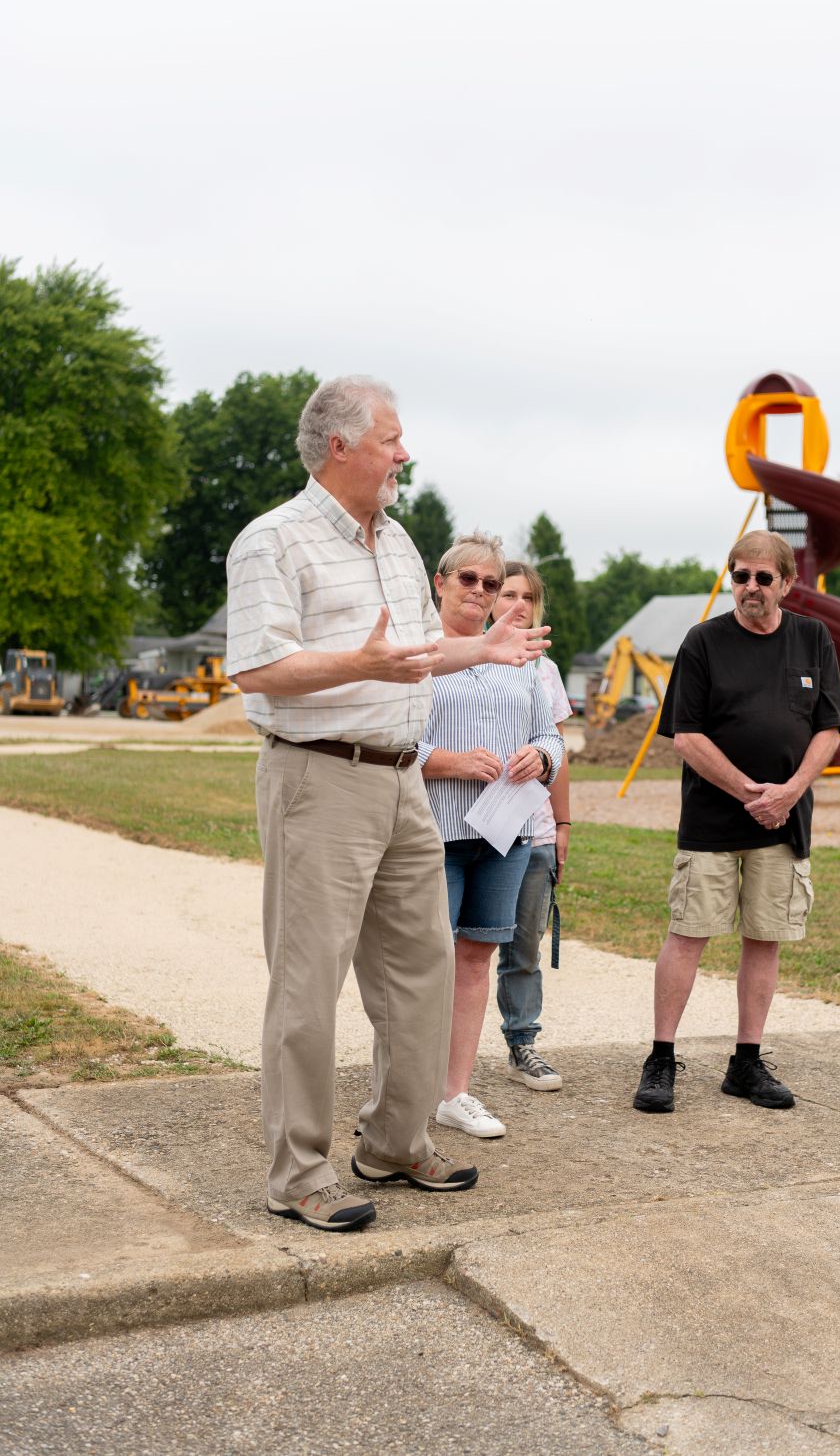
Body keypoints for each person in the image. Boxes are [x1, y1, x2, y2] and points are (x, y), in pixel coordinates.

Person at [226, 377, 550, 1232]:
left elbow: (413, 653)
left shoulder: (399, 541)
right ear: (340, 446)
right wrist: (356, 665)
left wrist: (484, 648)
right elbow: (256, 668)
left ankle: (394, 1143)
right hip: (319, 778)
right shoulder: (273, 541)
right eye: (391, 440)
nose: (405, 454)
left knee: (423, 970)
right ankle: (298, 1174)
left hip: (405, 783)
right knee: (308, 985)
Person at [633, 530, 840, 1115]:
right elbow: (685, 735)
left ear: (787, 582)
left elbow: (829, 728)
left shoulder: (812, 638)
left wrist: (790, 792)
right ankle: (660, 1058)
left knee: (765, 938)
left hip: (784, 823)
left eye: (763, 577)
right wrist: (750, 793)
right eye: (740, 576)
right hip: (712, 824)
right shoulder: (703, 641)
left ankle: (746, 1062)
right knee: (688, 934)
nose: (750, 587)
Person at [418, 536, 564, 1139]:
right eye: (468, 579)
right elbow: (387, 739)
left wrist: (542, 758)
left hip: (506, 834)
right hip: (434, 832)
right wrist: (448, 762)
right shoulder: (419, 650)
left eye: (490, 582)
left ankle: (454, 1092)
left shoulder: (521, 659)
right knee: (425, 963)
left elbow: (551, 736)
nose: (479, 591)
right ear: (440, 582)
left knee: (477, 958)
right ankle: (407, 1089)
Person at [490, 562, 572, 1091]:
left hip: (534, 829)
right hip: (473, 826)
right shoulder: (465, 660)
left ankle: (523, 1043)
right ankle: (437, 1056)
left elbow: (559, 750)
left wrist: (562, 823)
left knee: (524, 948)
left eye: (527, 597)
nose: (518, 605)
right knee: (456, 946)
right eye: (507, 594)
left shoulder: (547, 671)